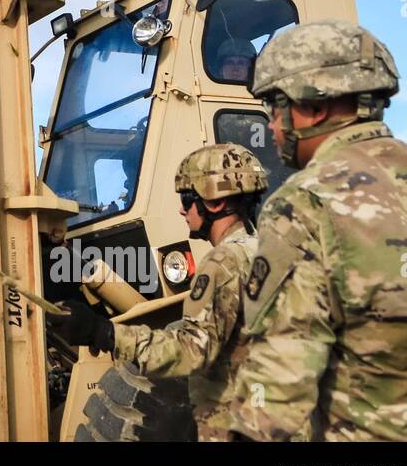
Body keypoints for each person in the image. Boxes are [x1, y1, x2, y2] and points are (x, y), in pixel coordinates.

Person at [229, 20, 407, 441]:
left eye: (274, 108)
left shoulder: (304, 202)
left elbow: (279, 380)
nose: (273, 128)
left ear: (313, 106)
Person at [52, 144, 266, 440]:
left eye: (187, 198)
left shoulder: (225, 262)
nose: (181, 209)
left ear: (214, 203)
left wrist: (104, 333)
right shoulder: (271, 253)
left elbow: (189, 352)